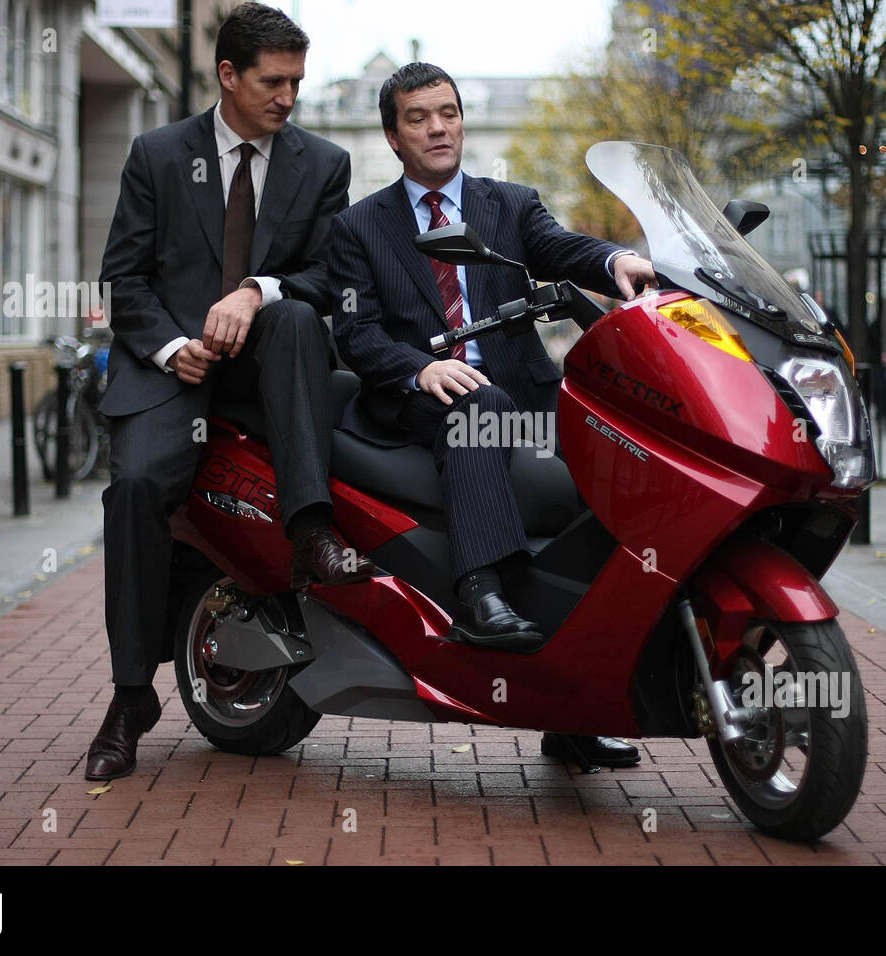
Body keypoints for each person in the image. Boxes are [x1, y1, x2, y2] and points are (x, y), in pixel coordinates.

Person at [328, 62, 655, 769]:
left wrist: (617, 261)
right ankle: (481, 592)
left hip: (527, 392)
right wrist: (418, 366)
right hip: (421, 397)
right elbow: (356, 331)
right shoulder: (359, 227)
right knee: (477, 401)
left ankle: (579, 706)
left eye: (447, 112)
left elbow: (564, 250)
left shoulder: (508, 204)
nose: (438, 127)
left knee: (618, 461)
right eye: (418, 117)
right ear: (392, 135)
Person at [89, 2, 372, 781]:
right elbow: (123, 280)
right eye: (273, 82)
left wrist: (256, 288)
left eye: (297, 83)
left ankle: (309, 529)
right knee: (138, 486)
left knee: (292, 320)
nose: (288, 98)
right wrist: (171, 346)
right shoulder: (157, 153)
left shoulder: (321, 163)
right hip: (170, 370)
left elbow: (327, 277)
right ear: (228, 75)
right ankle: (128, 698)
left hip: (262, 367)